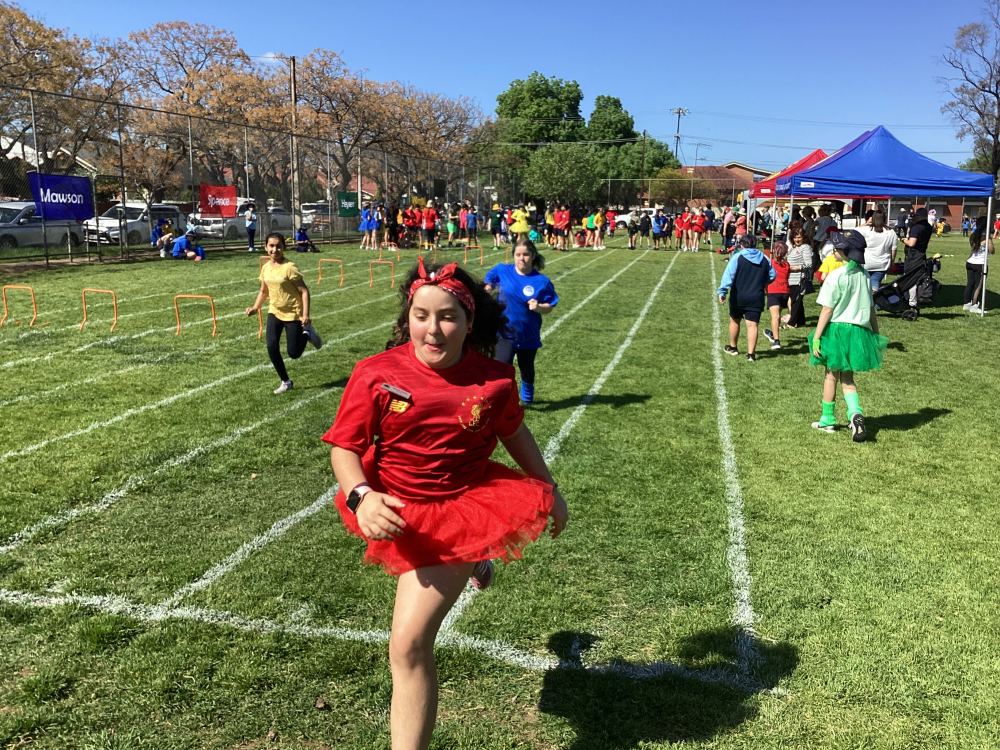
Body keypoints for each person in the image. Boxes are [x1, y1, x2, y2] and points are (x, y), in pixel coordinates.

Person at [323, 257, 567, 750]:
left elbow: (514, 432)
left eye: (448, 316)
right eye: (421, 315)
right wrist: (362, 495)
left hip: (461, 508)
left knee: (408, 646)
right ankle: (479, 559)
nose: (433, 330)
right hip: (392, 501)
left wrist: (549, 487)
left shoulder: (494, 380)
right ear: (407, 316)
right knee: (409, 639)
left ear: (470, 321)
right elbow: (344, 445)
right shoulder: (375, 373)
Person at [809, 230, 887, 442]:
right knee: (848, 378)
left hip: (838, 331)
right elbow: (871, 309)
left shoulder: (836, 276)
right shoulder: (864, 275)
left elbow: (827, 309)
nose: (834, 249)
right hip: (858, 332)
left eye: (838, 247)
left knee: (830, 375)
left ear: (846, 252)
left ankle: (827, 419)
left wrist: (817, 336)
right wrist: (876, 334)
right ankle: (855, 414)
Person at [245, 232, 322, 394]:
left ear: (283, 248)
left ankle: (307, 333)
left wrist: (306, 315)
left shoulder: (290, 268)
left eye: (278, 246)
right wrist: (255, 308)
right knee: (271, 347)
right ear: (266, 247)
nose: (275, 249)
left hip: (293, 314)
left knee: (293, 353)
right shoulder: (265, 268)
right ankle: (286, 382)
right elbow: (263, 291)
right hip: (274, 311)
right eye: (271, 246)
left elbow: (304, 291)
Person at [485, 238, 558, 403]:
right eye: (518, 254)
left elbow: (550, 305)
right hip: (505, 331)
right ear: (513, 256)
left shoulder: (542, 281)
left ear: (532, 256)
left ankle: (527, 397)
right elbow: (489, 279)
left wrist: (539, 307)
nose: (521, 258)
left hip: (528, 333)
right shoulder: (502, 270)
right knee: (502, 367)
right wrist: (488, 287)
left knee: (527, 369)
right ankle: (503, 401)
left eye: (525, 254)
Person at [717, 234, 775, 362]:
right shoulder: (765, 258)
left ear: (742, 245)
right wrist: (764, 282)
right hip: (756, 296)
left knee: (734, 320)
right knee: (752, 325)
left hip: (739, 295)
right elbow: (773, 275)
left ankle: (733, 347)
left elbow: (729, 276)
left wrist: (722, 291)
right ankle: (751, 354)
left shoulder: (737, 257)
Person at [856, 210, 897, 291]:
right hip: (882, 263)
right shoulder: (891, 232)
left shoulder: (866, 230)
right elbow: (894, 249)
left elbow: (854, 231)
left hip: (867, 262)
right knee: (875, 283)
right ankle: (875, 301)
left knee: (863, 284)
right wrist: (892, 261)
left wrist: (866, 223)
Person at [902, 207, 933, 306]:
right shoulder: (928, 226)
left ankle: (911, 301)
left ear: (919, 216)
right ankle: (915, 298)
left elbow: (911, 243)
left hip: (913, 255)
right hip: (922, 254)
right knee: (917, 277)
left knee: (910, 278)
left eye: (915, 216)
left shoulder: (917, 227)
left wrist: (902, 240)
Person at [763, 241, 790, 351]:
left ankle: (776, 341)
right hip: (785, 292)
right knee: (778, 315)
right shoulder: (787, 265)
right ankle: (773, 333)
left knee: (775, 316)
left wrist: (765, 289)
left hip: (774, 291)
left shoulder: (770, 264)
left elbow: (766, 278)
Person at [964, 219, 995, 313]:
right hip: (980, 263)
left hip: (970, 262)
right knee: (979, 285)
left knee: (970, 283)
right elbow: (992, 251)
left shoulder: (973, 235)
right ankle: (974, 304)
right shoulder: (987, 238)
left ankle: (966, 303)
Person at [786, 226, 813, 328]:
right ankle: (801, 322)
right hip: (791, 278)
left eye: (799, 237)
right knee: (797, 300)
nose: (797, 240)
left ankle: (791, 323)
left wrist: (795, 268)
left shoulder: (805, 247)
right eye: (795, 237)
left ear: (803, 237)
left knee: (795, 301)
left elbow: (809, 264)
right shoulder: (795, 248)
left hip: (799, 278)